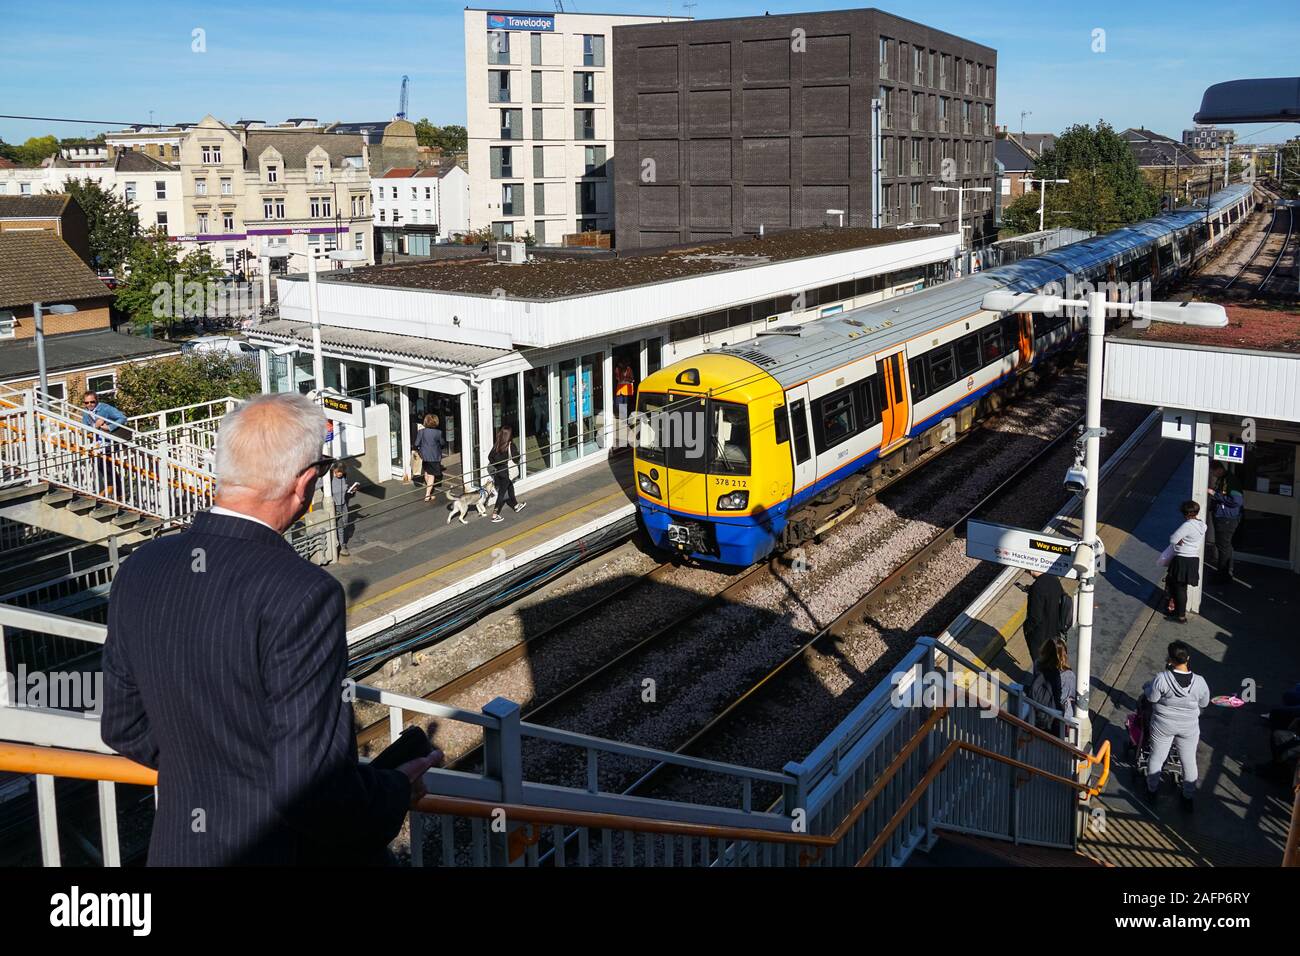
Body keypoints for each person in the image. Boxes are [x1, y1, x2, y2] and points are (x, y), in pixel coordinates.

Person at [101, 393, 441, 865]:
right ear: (305, 483)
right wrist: (395, 787)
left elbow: (123, 726)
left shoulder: (140, 568)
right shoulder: (304, 593)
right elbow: (313, 790)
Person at [1143, 640, 1211, 809]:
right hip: (1188, 727)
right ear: (1188, 658)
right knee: (1189, 762)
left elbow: (1152, 698)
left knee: (1157, 757)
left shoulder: (1161, 679)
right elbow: (1204, 703)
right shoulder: (1200, 682)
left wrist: (1146, 688)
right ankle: (1188, 796)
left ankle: (1152, 790)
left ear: (1170, 660)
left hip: (1163, 725)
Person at [1163, 499, 1206, 624]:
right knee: (1182, 587)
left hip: (1182, 559)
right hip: (1193, 559)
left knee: (1178, 587)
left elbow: (1172, 539)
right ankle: (1178, 613)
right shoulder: (1202, 525)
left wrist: (1180, 539)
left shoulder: (1187, 525)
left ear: (1185, 513)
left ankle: (1179, 615)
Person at [81, 390, 129, 495]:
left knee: (104, 463)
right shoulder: (85, 412)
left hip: (112, 440)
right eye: (86, 403)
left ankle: (113, 487)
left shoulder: (105, 408)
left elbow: (122, 418)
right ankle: (117, 490)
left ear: (96, 401)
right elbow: (84, 429)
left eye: (92, 402)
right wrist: (95, 426)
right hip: (99, 442)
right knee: (102, 464)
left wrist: (109, 427)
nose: (89, 405)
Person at [1028, 638, 1077, 736]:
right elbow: (1067, 699)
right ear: (1064, 654)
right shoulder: (1068, 675)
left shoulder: (1038, 664)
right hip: (1055, 720)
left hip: (1037, 713)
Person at [1208, 463, 1244, 583]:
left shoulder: (1230, 481)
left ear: (1218, 470)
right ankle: (1223, 572)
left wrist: (1214, 494)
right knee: (1223, 545)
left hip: (1226, 519)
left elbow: (1236, 501)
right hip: (1224, 517)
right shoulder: (1224, 479)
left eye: (1213, 472)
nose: (1213, 474)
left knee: (1224, 547)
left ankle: (1224, 574)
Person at [1023, 570, 1067, 667]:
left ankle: (1041, 682)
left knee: (1040, 666)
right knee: (1051, 662)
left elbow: (1035, 617)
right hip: (1055, 632)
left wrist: (1027, 628)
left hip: (1040, 636)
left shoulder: (1037, 587)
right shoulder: (1054, 579)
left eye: (1027, 571)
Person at [487, 425, 525, 523]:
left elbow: (490, 457)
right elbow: (516, 458)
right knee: (501, 494)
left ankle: (516, 505)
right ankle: (495, 514)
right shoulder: (510, 445)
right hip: (507, 473)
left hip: (500, 472)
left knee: (510, 486)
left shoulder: (497, 445)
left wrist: (498, 466)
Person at [329, 462, 360, 557]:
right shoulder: (328, 479)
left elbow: (345, 490)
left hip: (343, 504)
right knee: (340, 526)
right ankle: (342, 547)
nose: (340, 474)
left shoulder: (343, 477)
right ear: (334, 470)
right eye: (338, 472)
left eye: (342, 472)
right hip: (335, 506)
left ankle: (340, 541)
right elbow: (315, 486)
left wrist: (351, 490)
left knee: (345, 523)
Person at [414, 413, 446, 502]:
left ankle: (429, 491)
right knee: (431, 475)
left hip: (424, 456)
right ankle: (428, 495)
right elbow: (443, 443)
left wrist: (421, 450)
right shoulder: (438, 433)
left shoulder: (421, 432)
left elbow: (416, 444)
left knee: (427, 473)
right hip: (434, 456)